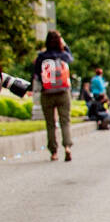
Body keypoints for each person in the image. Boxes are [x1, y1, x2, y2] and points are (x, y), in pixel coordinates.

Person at [32, 30, 75, 161]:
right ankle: (67, 147)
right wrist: (64, 44)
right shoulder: (63, 55)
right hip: (63, 92)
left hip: (47, 93)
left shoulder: (41, 56)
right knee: (65, 121)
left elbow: (36, 75)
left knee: (50, 123)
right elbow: (71, 58)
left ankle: (54, 151)